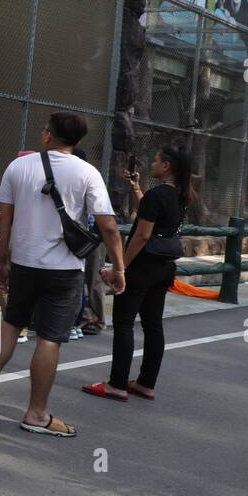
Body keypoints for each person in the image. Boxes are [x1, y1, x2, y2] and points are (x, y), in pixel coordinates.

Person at [0, 112, 126, 437]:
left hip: (24, 263)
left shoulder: (18, 167)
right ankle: (36, 413)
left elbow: (3, 220)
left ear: (49, 136)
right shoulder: (88, 173)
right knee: (50, 339)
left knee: (11, 325)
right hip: (64, 271)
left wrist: (1, 261)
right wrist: (118, 267)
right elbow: (108, 225)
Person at [82, 145, 192, 401]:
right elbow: (151, 213)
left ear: (166, 166)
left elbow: (142, 234)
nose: (151, 164)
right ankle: (145, 383)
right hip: (164, 268)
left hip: (142, 267)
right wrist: (135, 187)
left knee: (124, 323)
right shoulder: (181, 195)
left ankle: (117, 384)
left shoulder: (158, 195)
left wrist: (120, 267)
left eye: (156, 160)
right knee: (153, 325)